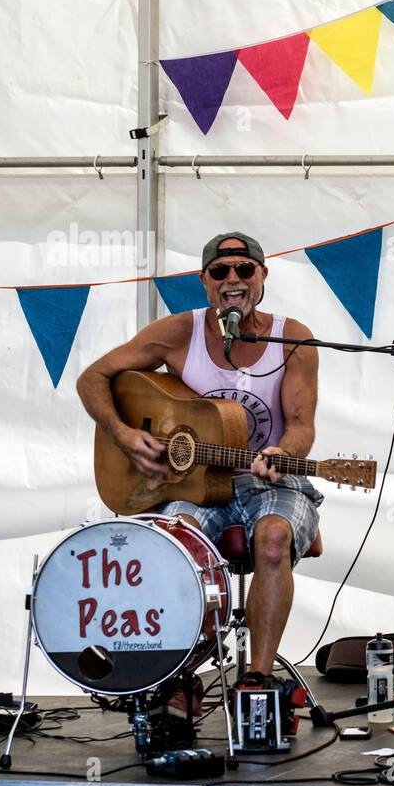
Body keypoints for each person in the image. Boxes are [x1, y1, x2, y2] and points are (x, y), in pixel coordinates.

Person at [76, 231, 322, 704]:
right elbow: (93, 379)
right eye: (220, 271)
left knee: (273, 538)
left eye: (244, 269)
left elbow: (301, 426)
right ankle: (176, 675)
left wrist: (282, 452)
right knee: (172, 547)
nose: (233, 279)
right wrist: (124, 436)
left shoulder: (292, 339)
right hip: (191, 484)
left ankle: (257, 680)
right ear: (204, 280)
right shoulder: (178, 332)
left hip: (268, 482)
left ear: (262, 275)